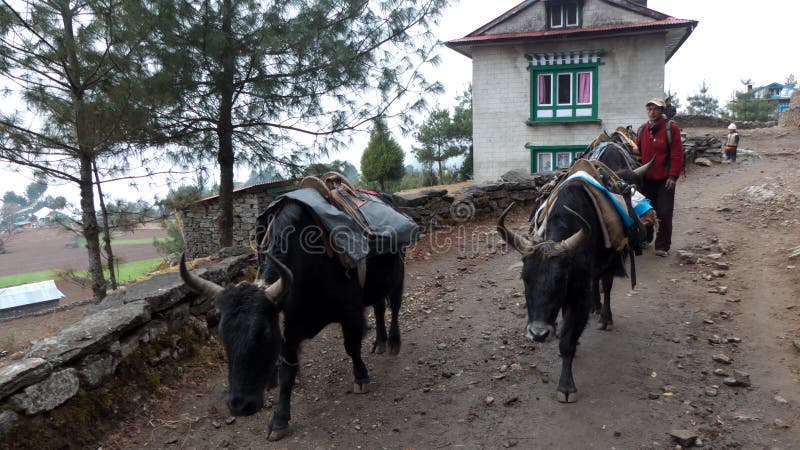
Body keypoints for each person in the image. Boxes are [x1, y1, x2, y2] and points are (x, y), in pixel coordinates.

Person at [636, 98, 684, 257]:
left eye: (655, 109)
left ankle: (662, 245)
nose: (652, 112)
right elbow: (639, 153)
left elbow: (677, 154)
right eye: (649, 109)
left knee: (664, 212)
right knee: (646, 211)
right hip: (646, 179)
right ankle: (646, 238)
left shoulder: (671, 129)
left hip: (665, 179)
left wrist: (673, 176)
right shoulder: (642, 130)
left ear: (662, 110)